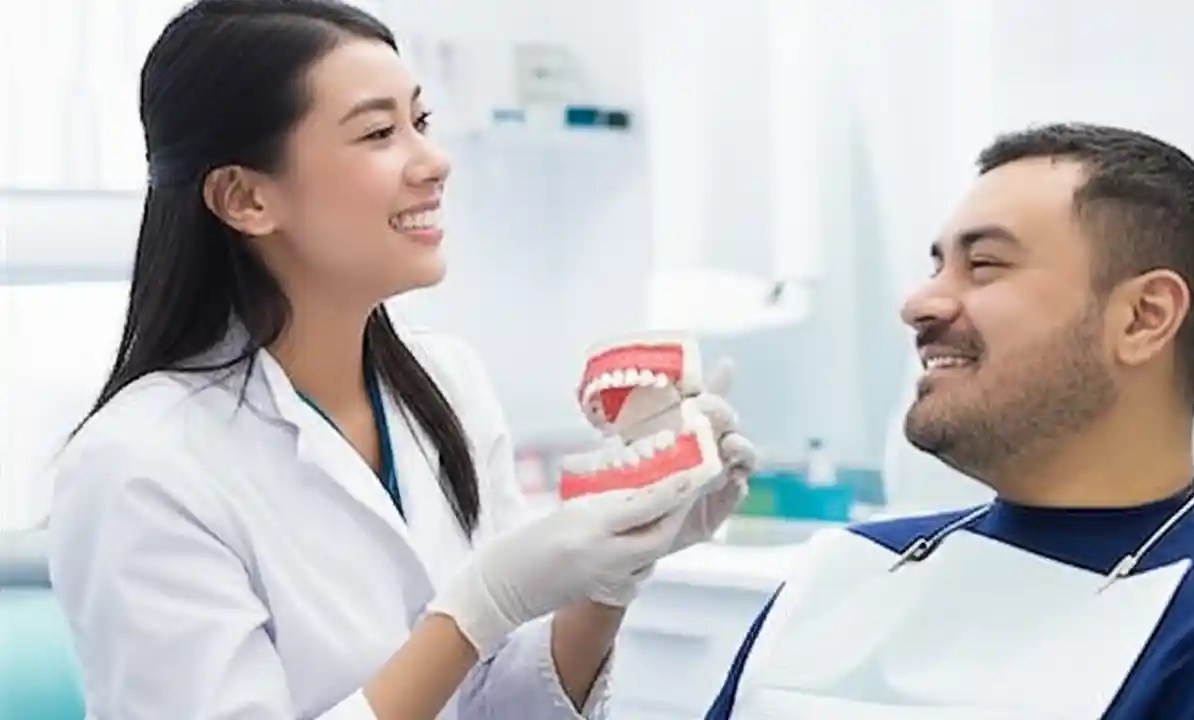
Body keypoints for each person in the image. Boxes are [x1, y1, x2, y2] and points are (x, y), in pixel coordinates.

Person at [44, 2, 756, 718]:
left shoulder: (448, 384)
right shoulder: (139, 466)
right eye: (379, 133)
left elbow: (504, 708)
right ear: (245, 197)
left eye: (421, 122)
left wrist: (613, 572)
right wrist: (471, 614)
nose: (434, 161)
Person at [706, 123, 1194, 719]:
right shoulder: (845, 573)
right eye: (937, 267)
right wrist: (602, 597)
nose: (919, 303)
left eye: (983, 265)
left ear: (1142, 318)